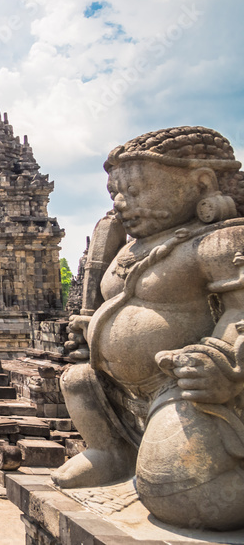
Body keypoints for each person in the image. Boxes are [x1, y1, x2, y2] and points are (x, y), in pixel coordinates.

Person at [53, 127, 244, 530]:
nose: (122, 203)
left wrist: (225, 364)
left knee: (181, 499)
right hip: (117, 386)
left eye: (137, 191)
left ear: (201, 183)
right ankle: (110, 452)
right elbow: (121, 303)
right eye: (116, 193)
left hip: (183, 387)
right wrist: (89, 330)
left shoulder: (221, 241)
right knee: (75, 380)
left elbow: (240, 316)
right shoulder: (132, 246)